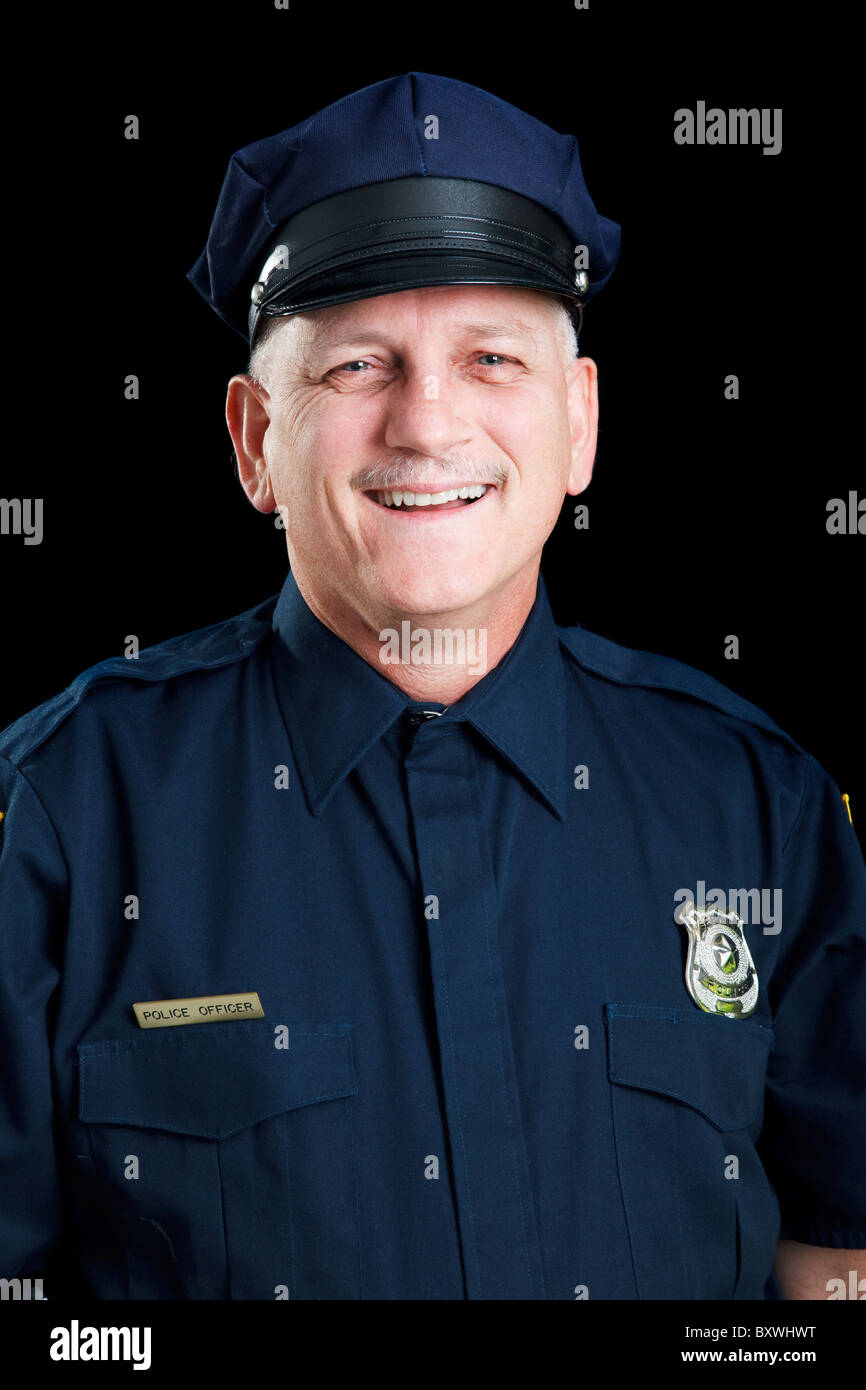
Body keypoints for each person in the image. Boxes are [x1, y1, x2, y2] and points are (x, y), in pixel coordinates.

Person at [1, 72, 863, 1302]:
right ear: (254, 442)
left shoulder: (757, 805)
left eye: (490, 357)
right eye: (357, 366)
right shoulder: (65, 817)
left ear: (579, 426)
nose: (425, 423)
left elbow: (831, 1264)